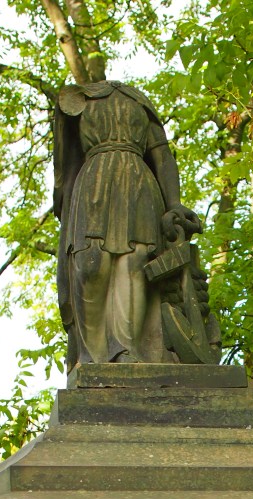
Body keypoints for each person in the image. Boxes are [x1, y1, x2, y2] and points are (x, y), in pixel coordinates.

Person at [53, 81, 202, 370]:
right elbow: (65, 163)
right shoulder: (75, 100)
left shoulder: (139, 102)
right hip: (93, 184)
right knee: (90, 265)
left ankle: (125, 350)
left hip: (138, 185)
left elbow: (162, 155)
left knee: (134, 266)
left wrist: (174, 204)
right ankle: (92, 357)